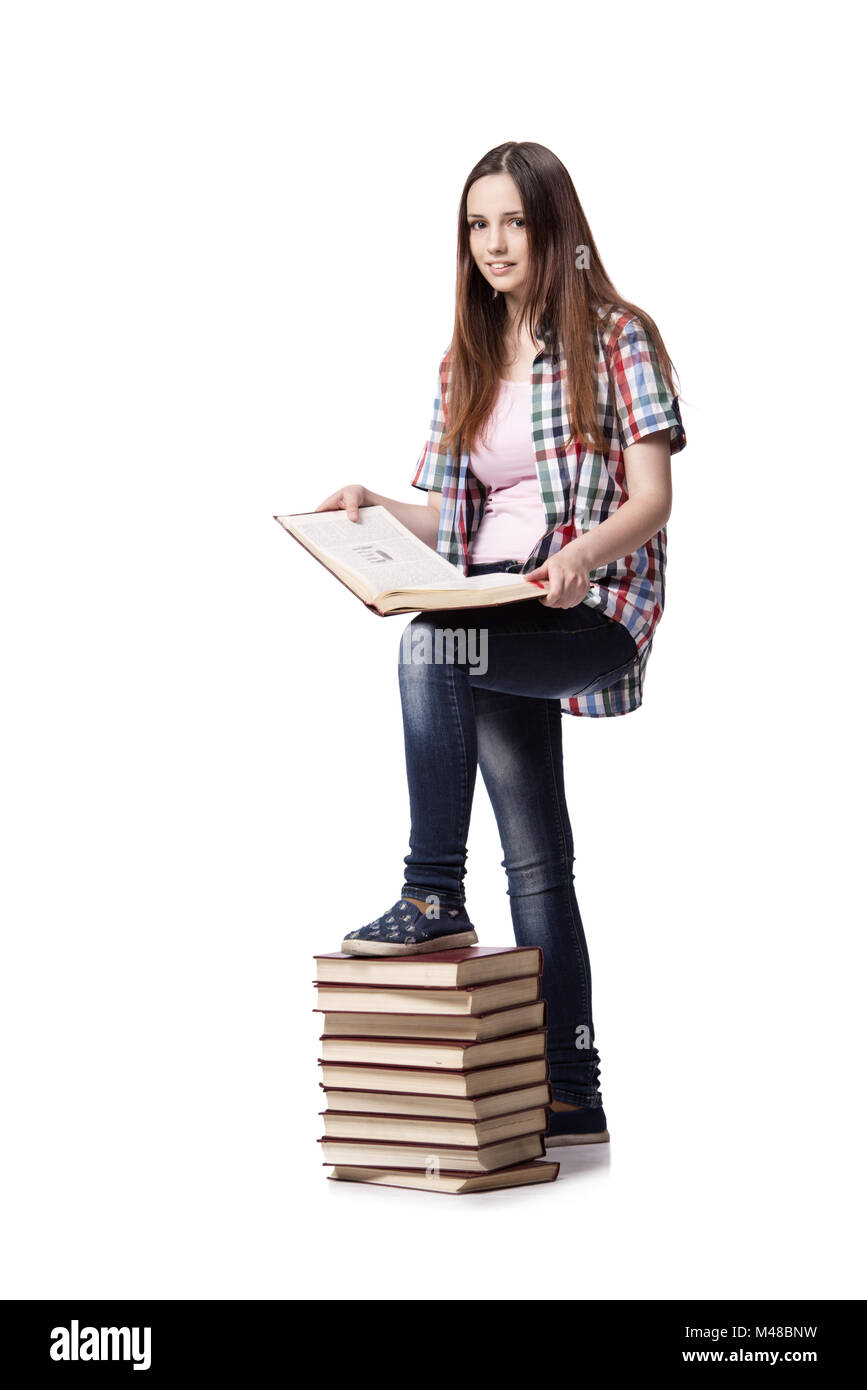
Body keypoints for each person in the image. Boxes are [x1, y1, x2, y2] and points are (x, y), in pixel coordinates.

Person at [313, 141, 687, 1144]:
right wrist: (371, 508)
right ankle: (574, 1091)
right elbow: (450, 521)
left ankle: (431, 889)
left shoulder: (618, 336)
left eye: (514, 221)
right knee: (537, 863)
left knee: (430, 650)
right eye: (478, 225)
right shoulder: (465, 358)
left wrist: (581, 555)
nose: (494, 244)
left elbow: (651, 498)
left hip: (592, 609)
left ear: (555, 228)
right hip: (498, 611)